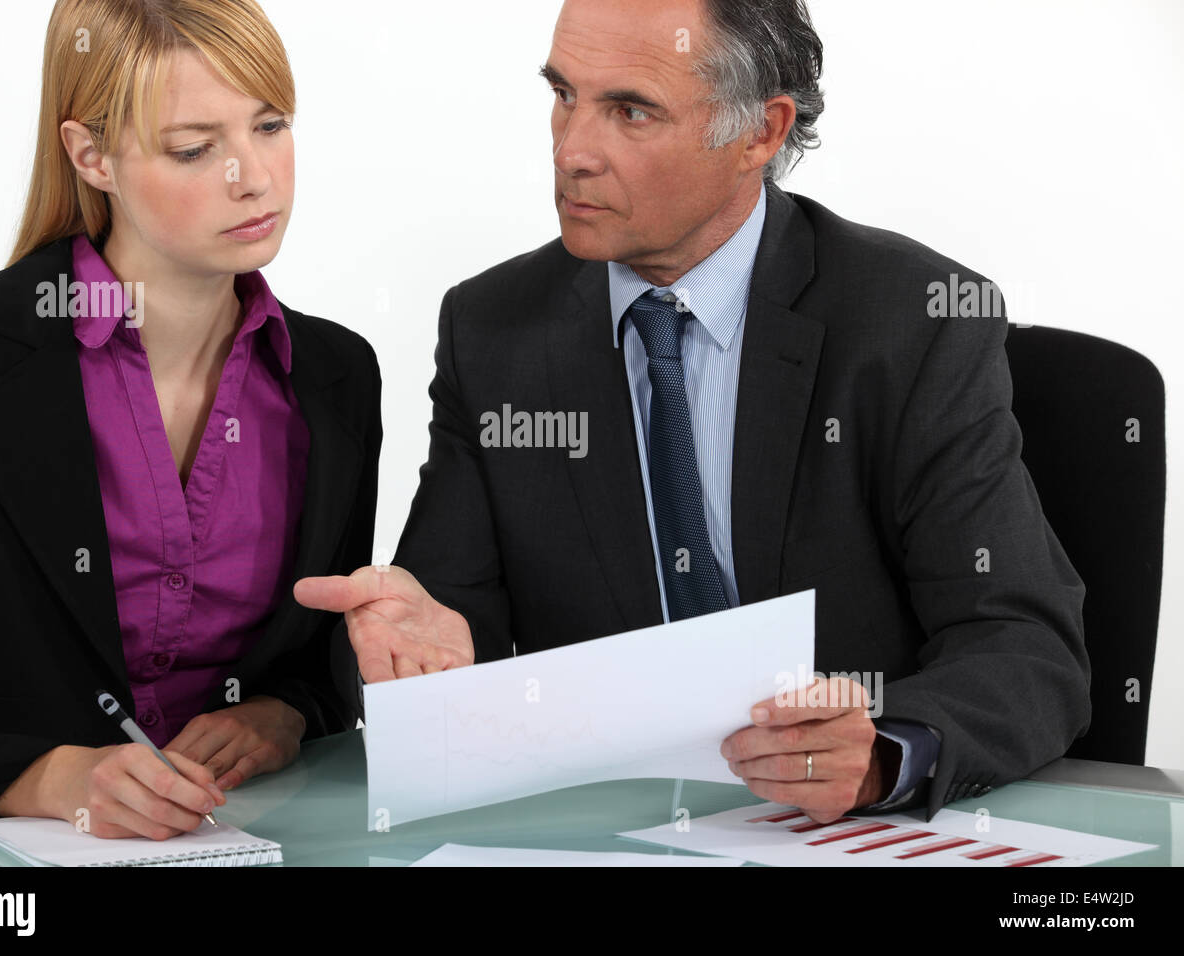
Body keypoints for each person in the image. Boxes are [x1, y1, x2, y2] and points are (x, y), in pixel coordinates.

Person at [296, 0, 1090, 824]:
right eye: (564, 95)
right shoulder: (495, 332)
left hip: (843, 837)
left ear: (761, 132)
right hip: (613, 830)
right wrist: (419, 663)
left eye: (630, 111)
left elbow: (1024, 647)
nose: (572, 152)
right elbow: (447, 637)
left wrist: (885, 752)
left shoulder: (910, 323)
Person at [0, 0, 379, 845]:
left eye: (270, 125)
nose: (252, 177)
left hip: (256, 846)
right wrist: (39, 776)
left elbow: (319, 664)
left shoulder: (335, 376)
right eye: (195, 148)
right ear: (91, 155)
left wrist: (282, 713)